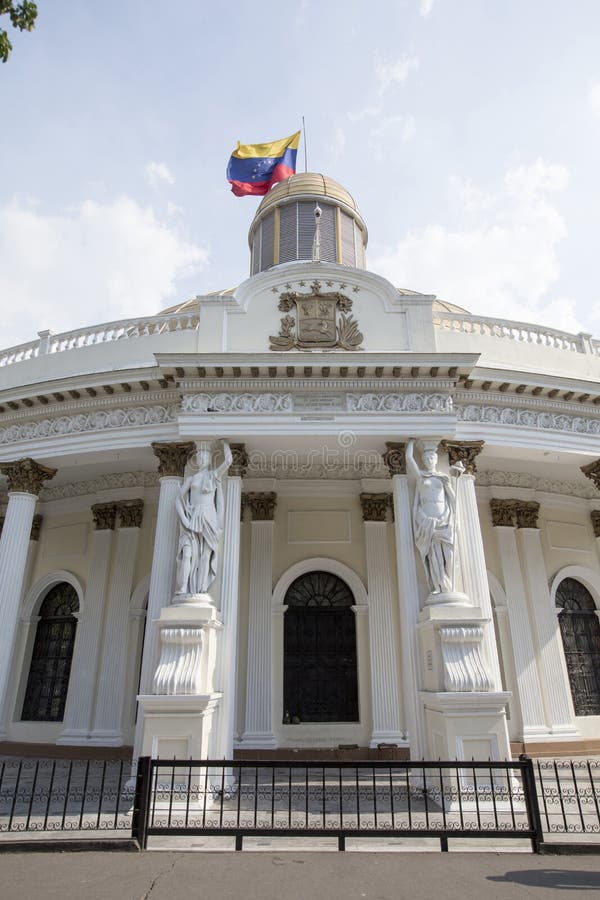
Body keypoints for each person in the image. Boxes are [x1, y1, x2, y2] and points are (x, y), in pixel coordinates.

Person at [174, 440, 233, 596]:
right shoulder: (191, 479)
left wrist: (224, 443)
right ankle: (185, 586)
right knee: (188, 554)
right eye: (199, 456)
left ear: (209, 460)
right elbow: (178, 500)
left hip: (208, 517)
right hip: (193, 517)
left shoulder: (213, 476)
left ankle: (202, 588)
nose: (201, 459)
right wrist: (184, 519)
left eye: (205, 457)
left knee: (206, 555)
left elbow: (228, 461)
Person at [406, 439, 456, 594]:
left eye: (432, 457)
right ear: (423, 461)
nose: (429, 460)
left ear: (436, 460)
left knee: (449, 556)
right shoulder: (421, 477)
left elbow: (453, 499)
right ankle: (439, 585)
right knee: (434, 555)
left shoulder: (443, 478)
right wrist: (410, 442)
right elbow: (409, 458)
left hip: (445, 519)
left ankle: (451, 586)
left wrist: (456, 518)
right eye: (426, 458)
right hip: (428, 521)